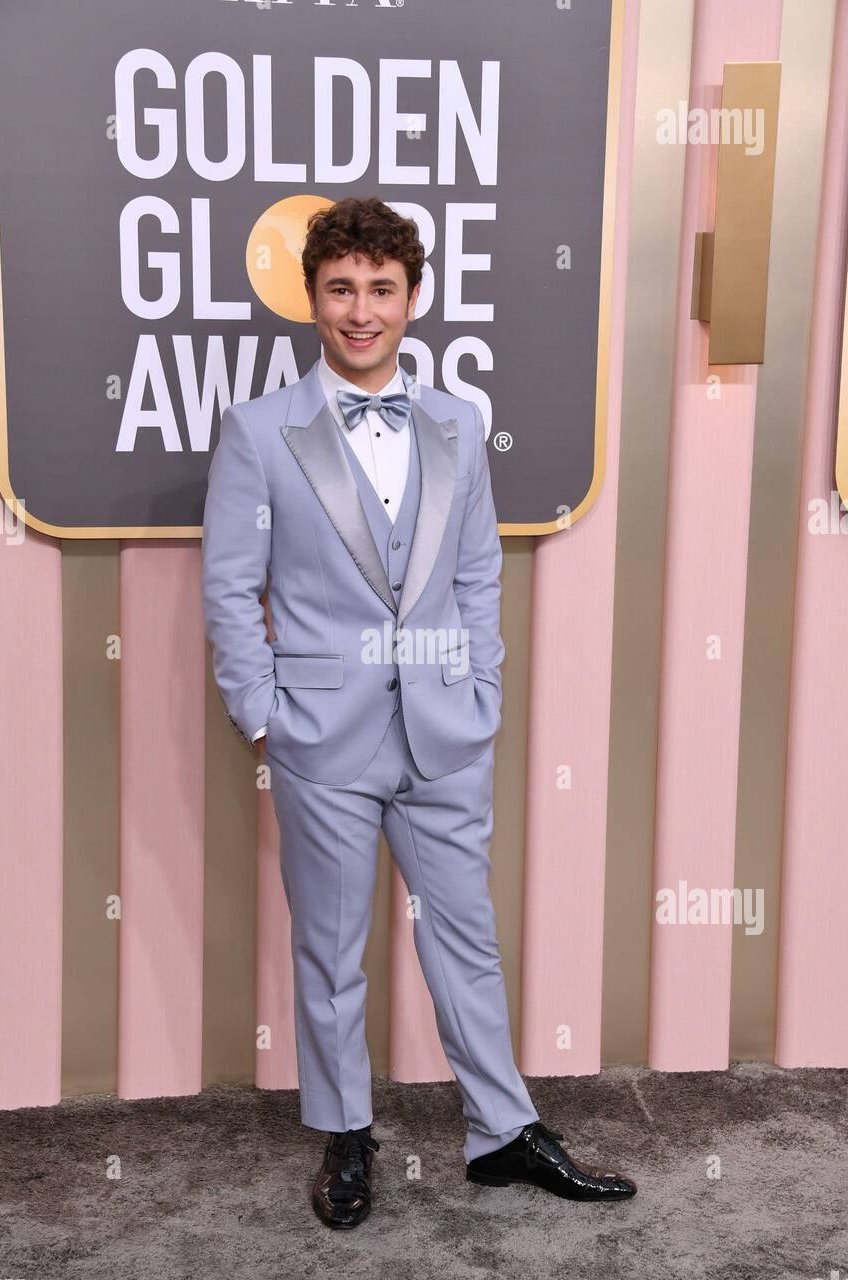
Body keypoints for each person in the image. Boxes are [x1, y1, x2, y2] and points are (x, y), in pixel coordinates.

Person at [201, 196, 637, 1228]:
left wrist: (479, 684)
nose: (361, 311)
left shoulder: (454, 422)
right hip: (321, 732)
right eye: (341, 289)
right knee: (332, 942)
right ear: (310, 298)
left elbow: (477, 571)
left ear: (412, 298)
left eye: (381, 290)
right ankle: (346, 1136)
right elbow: (228, 586)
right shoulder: (259, 432)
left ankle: (501, 1130)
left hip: (444, 724)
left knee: (466, 934)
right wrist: (264, 713)